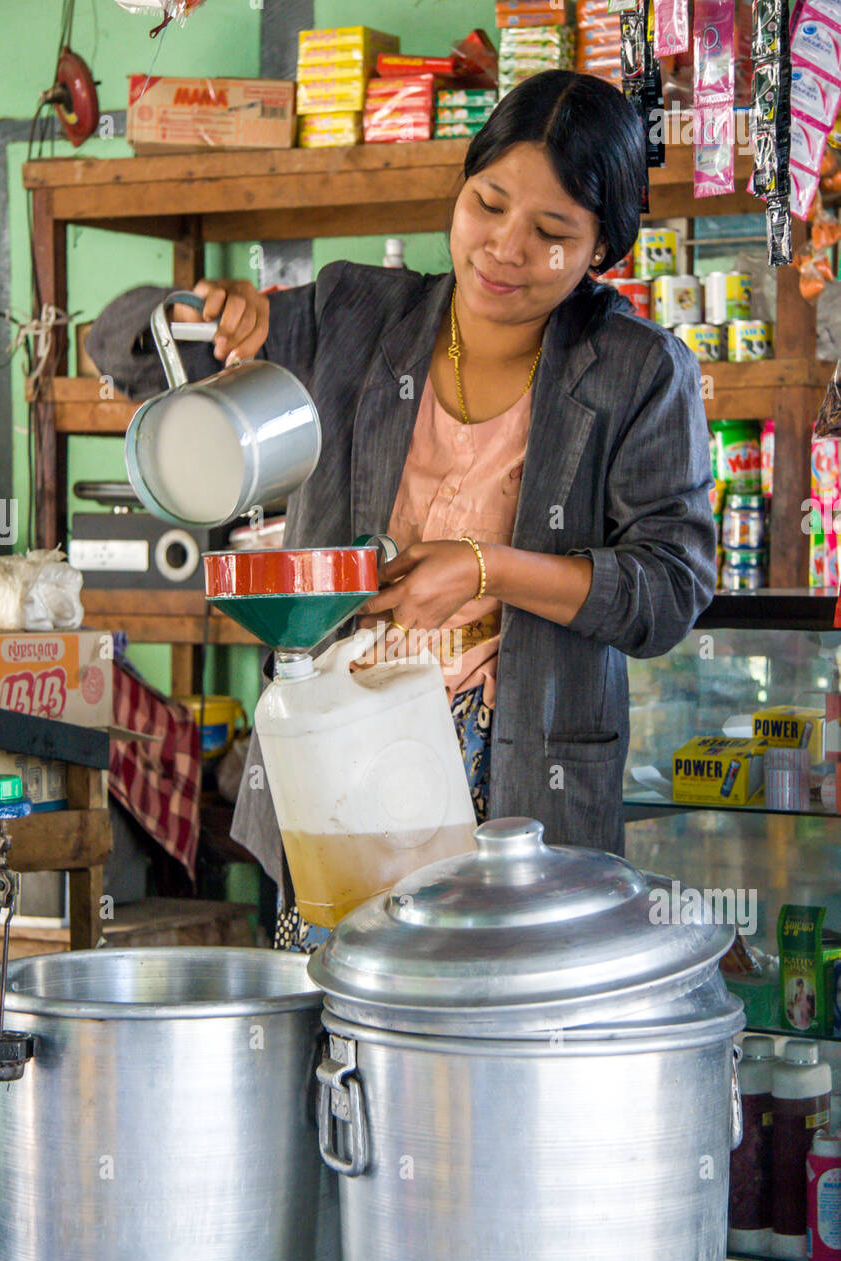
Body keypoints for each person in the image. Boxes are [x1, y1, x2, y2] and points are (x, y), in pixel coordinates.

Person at [90, 71, 717, 952]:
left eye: (550, 233)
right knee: (338, 1030)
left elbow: (670, 592)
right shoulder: (354, 315)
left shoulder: (637, 371)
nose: (503, 246)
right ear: (460, 189)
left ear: (601, 249)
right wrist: (194, 315)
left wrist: (485, 566)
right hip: (334, 753)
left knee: (483, 1045)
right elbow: (117, 345)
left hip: (517, 776)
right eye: (488, 203)